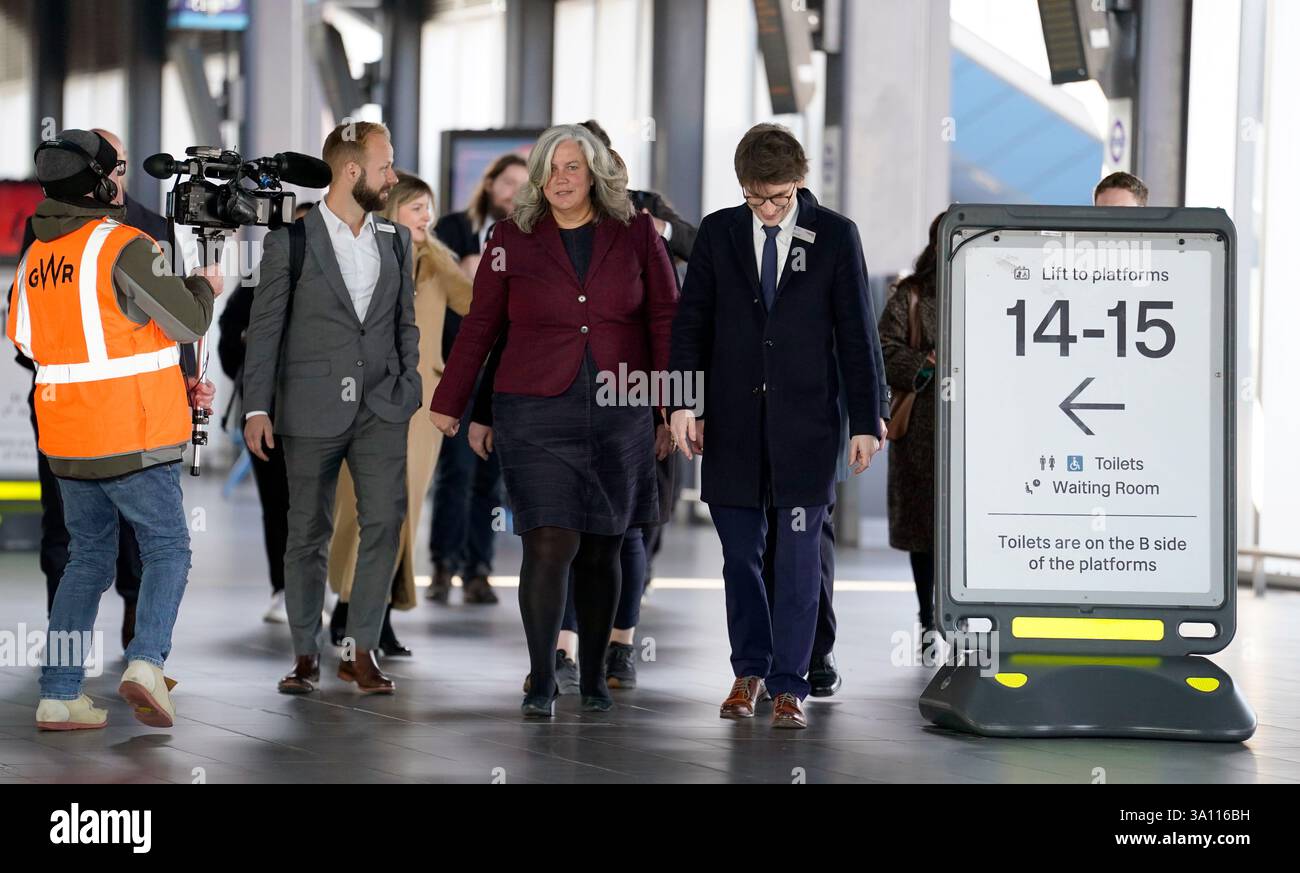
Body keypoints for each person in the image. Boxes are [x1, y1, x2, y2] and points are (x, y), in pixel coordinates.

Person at [429, 123, 678, 718]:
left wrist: (673, 405)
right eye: (551, 167)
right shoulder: (510, 237)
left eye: (572, 167)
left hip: (623, 408)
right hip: (535, 410)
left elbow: (667, 319)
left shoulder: (637, 231)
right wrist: (452, 402)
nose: (560, 178)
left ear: (594, 174)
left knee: (602, 548)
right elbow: (484, 325)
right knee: (548, 542)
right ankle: (543, 676)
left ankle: (593, 677)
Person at [669, 123, 883, 730]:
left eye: (779, 197)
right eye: (756, 197)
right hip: (731, 427)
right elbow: (692, 325)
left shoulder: (837, 236)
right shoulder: (718, 232)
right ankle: (749, 670)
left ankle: (790, 684)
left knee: (797, 560)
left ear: (801, 182)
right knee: (740, 557)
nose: (767, 210)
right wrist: (684, 403)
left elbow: (857, 335)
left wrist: (866, 421)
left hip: (808, 429)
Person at [7, 129, 221, 730]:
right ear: (103, 182)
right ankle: (147, 662)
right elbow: (187, 319)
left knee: (88, 559)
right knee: (167, 548)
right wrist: (206, 284)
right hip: (135, 430)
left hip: (68, 439)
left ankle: (59, 692)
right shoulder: (124, 244)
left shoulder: (36, 258)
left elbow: (23, 337)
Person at [242, 121, 421, 696]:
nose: (392, 176)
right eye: (385, 166)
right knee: (307, 532)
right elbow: (264, 330)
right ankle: (303, 655)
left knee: (385, 524)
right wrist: (255, 409)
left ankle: (358, 649)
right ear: (352, 171)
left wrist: (409, 382)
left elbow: (404, 324)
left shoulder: (395, 239)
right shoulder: (289, 242)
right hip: (309, 406)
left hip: (382, 407)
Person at [6, 127, 176, 651]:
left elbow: (23, 333)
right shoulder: (57, 236)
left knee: (107, 542)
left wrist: (188, 379)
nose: (117, 178)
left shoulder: (152, 227)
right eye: (111, 167)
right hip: (106, 414)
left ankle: (100, 654)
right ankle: (118, 655)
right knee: (83, 538)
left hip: (107, 410)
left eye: (123, 166)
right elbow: (185, 317)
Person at [326, 172, 472, 656]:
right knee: (356, 506)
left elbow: (475, 306)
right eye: (417, 209)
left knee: (400, 508)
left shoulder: (438, 261)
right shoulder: (359, 255)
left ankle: (376, 614)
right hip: (359, 398)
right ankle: (348, 605)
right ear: (392, 211)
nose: (426, 218)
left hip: (419, 405)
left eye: (429, 210)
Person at [427, 154, 529, 604]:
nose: (513, 191)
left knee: (490, 472)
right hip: (459, 365)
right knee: (456, 469)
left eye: (522, 184)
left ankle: (479, 569)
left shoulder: (528, 235)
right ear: (489, 184)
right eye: (507, 181)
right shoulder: (452, 229)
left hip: (505, 369)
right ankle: (442, 563)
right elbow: (439, 293)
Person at [216, 201, 315, 624]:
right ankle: (283, 587)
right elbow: (229, 338)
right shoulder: (259, 276)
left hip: (325, 411)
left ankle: (323, 584)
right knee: (277, 501)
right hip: (269, 409)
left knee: (319, 504)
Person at [879, 213, 942, 641]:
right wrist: (927, 365)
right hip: (921, 425)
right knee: (923, 527)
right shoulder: (912, 295)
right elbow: (883, 348)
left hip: (981, 428)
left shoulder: (995, 289)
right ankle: (926, 617)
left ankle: (960, 614)